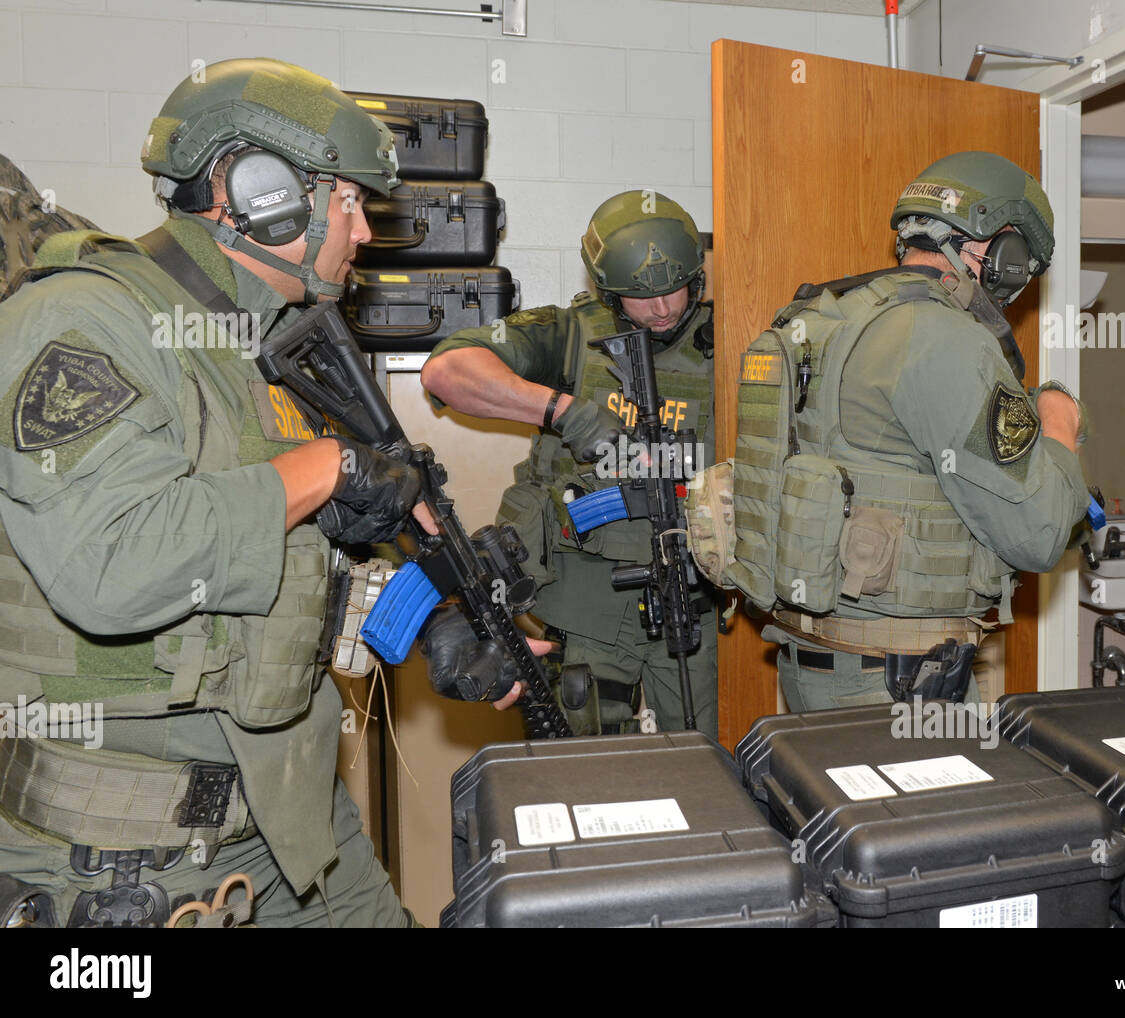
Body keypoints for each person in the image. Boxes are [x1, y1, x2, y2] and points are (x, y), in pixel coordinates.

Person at [0, 58, 443, 928]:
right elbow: (110, 565)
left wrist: (434, 614)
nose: (363, 232)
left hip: (288, 822)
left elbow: (281, 568)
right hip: (119, 867)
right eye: (349, 201)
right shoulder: (85, 319)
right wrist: (322, 468)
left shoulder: (260, 348)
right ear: (261, 192)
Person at [715, 151, 1087, 712]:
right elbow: (1039, 532)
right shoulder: (943, 338)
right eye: (1022, 260)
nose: (1019, 284)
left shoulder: (821, 319)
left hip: (815, 663)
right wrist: (1058, 421)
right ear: (996, 247)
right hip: (897, 685)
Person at [421, 191, 719, 737]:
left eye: (675, 289)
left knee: (706, 766)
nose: (662, 309)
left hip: (694, 604)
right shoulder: (568, 334)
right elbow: (446, 371)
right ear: (607, 292)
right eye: (638, 297)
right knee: (584, 772)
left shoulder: (728, 333)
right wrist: (564, 412)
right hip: (585, 608)